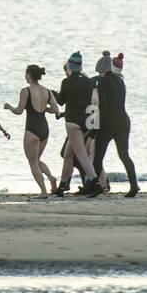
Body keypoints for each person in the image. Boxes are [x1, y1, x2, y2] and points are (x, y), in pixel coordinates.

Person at [4, 65, 60, 198]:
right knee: (37, 159)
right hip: (44, 129)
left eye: (25, 74)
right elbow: (56, 109)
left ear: (29, 75)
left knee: (32, 162)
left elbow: (18, 111)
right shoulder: (47, 91)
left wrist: (9, 107)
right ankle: (51, 178)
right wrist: (44, 109)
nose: (25, 76)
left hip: (32, 129)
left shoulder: (25, 91)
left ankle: (44, 192)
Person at [90, 52, 139, 197]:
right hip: (123, 121)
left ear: (100, 69)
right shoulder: (120, 81)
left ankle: (97, 186)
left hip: (108, 123)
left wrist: (94, 124)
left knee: (97, 158)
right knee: (124, 155)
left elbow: (102, 105)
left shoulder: (103, 81)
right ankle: (134, 185)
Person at [54, 52, 99, 197]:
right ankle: (62, 186)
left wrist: (51, 93)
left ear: (70, 66)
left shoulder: (66, 82)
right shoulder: (88, 81)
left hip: (72, 122)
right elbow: (91, 102)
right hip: (86, 120)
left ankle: (96, 183)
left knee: (81, 155)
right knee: (68, 153)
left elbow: (61, 101)